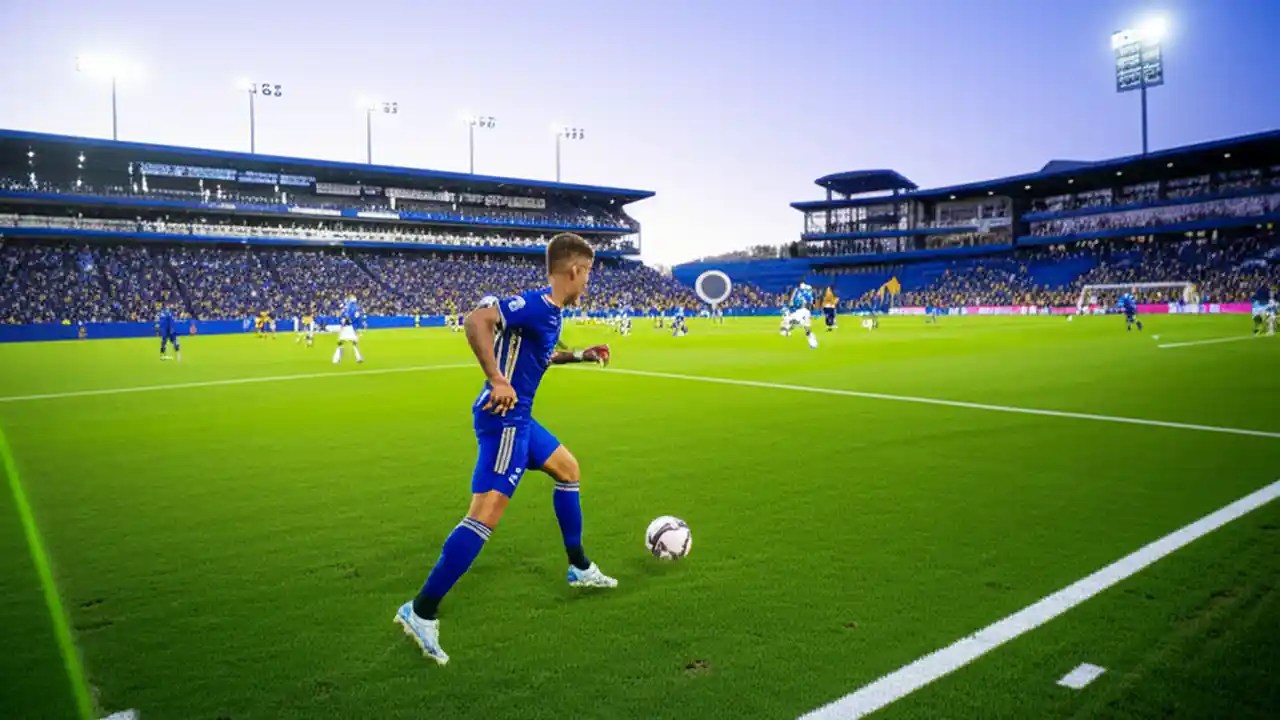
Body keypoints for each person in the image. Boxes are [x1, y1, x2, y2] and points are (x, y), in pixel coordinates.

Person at [394, 233, 614, 665]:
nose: (588, 281)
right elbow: (477, 320)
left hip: (522, 420)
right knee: (484, 515)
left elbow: (539, 356)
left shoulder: (549, 315)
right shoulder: (535, 304)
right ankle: (420, 610)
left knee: (568, 470)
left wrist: (582, 355)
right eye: (588, 272)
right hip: (506, 419)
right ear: (573, 270)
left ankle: (579, 567)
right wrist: (497, 378)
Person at [781, 283, 818, 348]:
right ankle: (812, 342)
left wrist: (791, 306)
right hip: (806, 312)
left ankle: (786, 329)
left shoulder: (801, 294)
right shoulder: (808, 295)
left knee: (794, 321)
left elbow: (794, 303)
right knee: (806, 328)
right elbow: (811, 304)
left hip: (802, 311)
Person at [333, 295, 364, 363]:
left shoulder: (347, 308)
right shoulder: (356, 308)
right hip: (352, 327)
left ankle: (337, 359)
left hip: (346, 327)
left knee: (340, 343)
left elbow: (343, 318)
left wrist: (342, 326)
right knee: (354, 343)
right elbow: (358, 319)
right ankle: (359, 358)